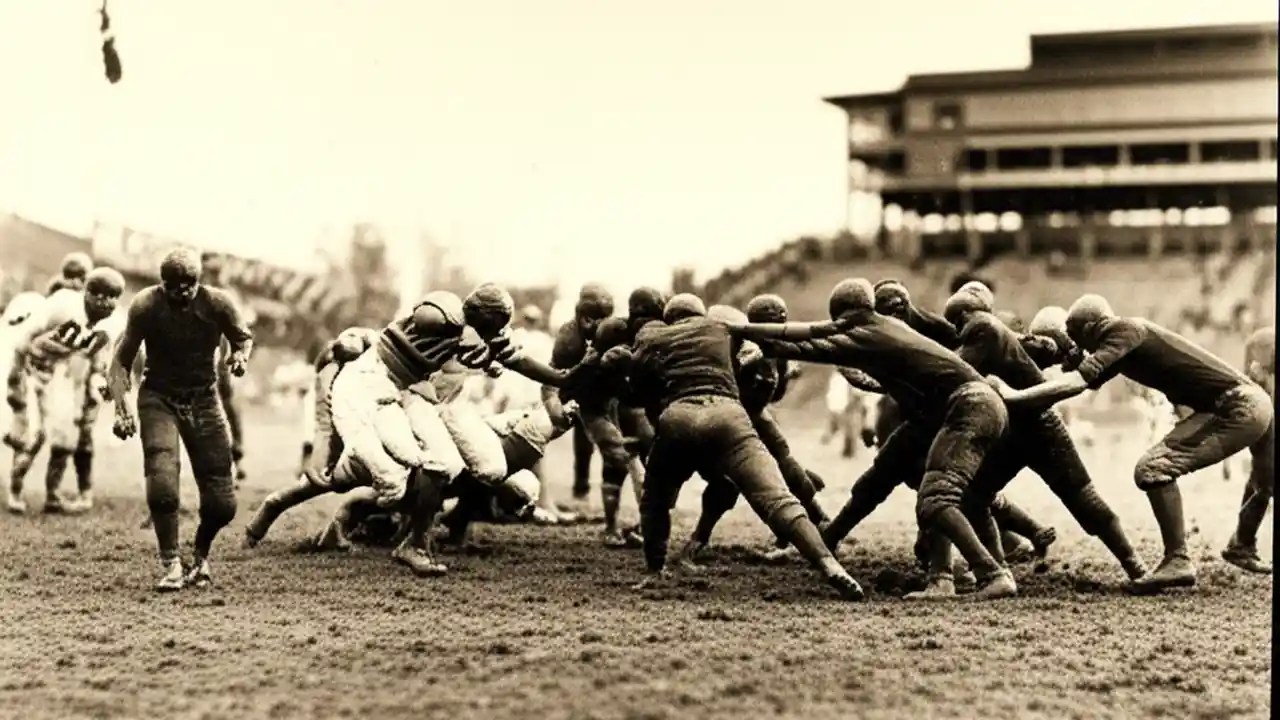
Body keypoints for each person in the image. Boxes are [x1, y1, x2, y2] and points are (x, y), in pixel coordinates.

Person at [747, 279, 1016, 600]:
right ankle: (832, 541)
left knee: (938, 497)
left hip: (964, 407)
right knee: (881, 477)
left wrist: (745, 333)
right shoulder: (885, 328)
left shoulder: (877, 330)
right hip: (941, 412)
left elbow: (813, 341)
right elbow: (822, 340)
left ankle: (985, 573)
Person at [991, 294, 1273, 593]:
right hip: (1255, 402)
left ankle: (1178, 559)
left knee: (1152, 469)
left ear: (1091, 327)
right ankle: (1242, 543)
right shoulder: (1126, 342)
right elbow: (1083, 375)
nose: (1078, 347)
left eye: (1076, 337)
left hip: (1236, 406)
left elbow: (1076, 383)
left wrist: (1012, 396)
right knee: (1264, 480)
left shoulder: (1124, 330)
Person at [627, 293, 865, 600]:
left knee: (655, 499)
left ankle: (655, 569)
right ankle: (828, 563)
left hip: (679, 417)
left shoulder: (654, 336)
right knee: (777, 497)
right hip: (729, 415)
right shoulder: (722, 326)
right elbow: (760, 357)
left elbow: (638, 387)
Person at [107, 248, 254, 592]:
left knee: (223, 503)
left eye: (188, 284)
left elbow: (243, 338)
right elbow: (121, 359)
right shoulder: (146, 305)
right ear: (162, 282)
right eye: (173, 285)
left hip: (203, 397)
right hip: (159, 396)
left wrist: (240, 356)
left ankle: (200, 556)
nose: (181, 292)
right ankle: (171, 562)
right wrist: (121, 406)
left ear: (198, 281)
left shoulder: (218, 303)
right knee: (162, 483)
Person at [542, 284, 617, 516]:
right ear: (583, 317)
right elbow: (553, 379)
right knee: (541, 431)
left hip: (604, 391)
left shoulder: (615, 331)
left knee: (614, 444)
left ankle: (602, 502)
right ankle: (547, 495)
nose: (599, 325)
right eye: (593, 319)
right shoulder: (569, 338)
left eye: (604, 319)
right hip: (572, 386)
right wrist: (554, 404)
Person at [1221, 325, 1274, 574]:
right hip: (1265, 418)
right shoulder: (1265, 340)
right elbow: (1257, 379)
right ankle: (1241, 544)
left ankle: (1240, 542)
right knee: (1265, 481)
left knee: (1261, 479)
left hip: (1263, 416)